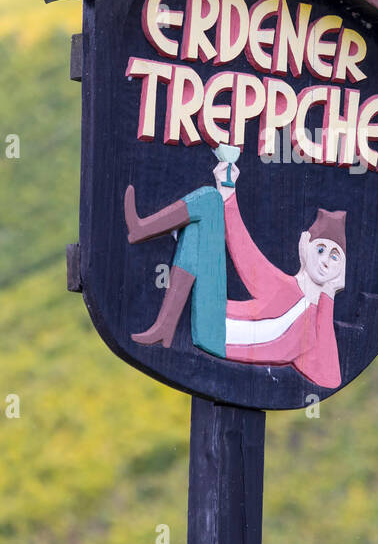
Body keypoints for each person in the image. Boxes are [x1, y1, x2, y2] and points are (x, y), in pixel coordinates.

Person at [124, 160, 346, 388]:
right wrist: (228, 194)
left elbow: (329, 378)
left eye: (335, 256)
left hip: (217, 333)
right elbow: (244, 252)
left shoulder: (313, 331)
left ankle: (141, 230)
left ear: (341, 268)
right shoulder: (284, 287)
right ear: (304, 244)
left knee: (209, 201)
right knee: (195, 226)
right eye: (321, 249)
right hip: (215, 317)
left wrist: (329, 294)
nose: (325, 261)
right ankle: (165, 327)